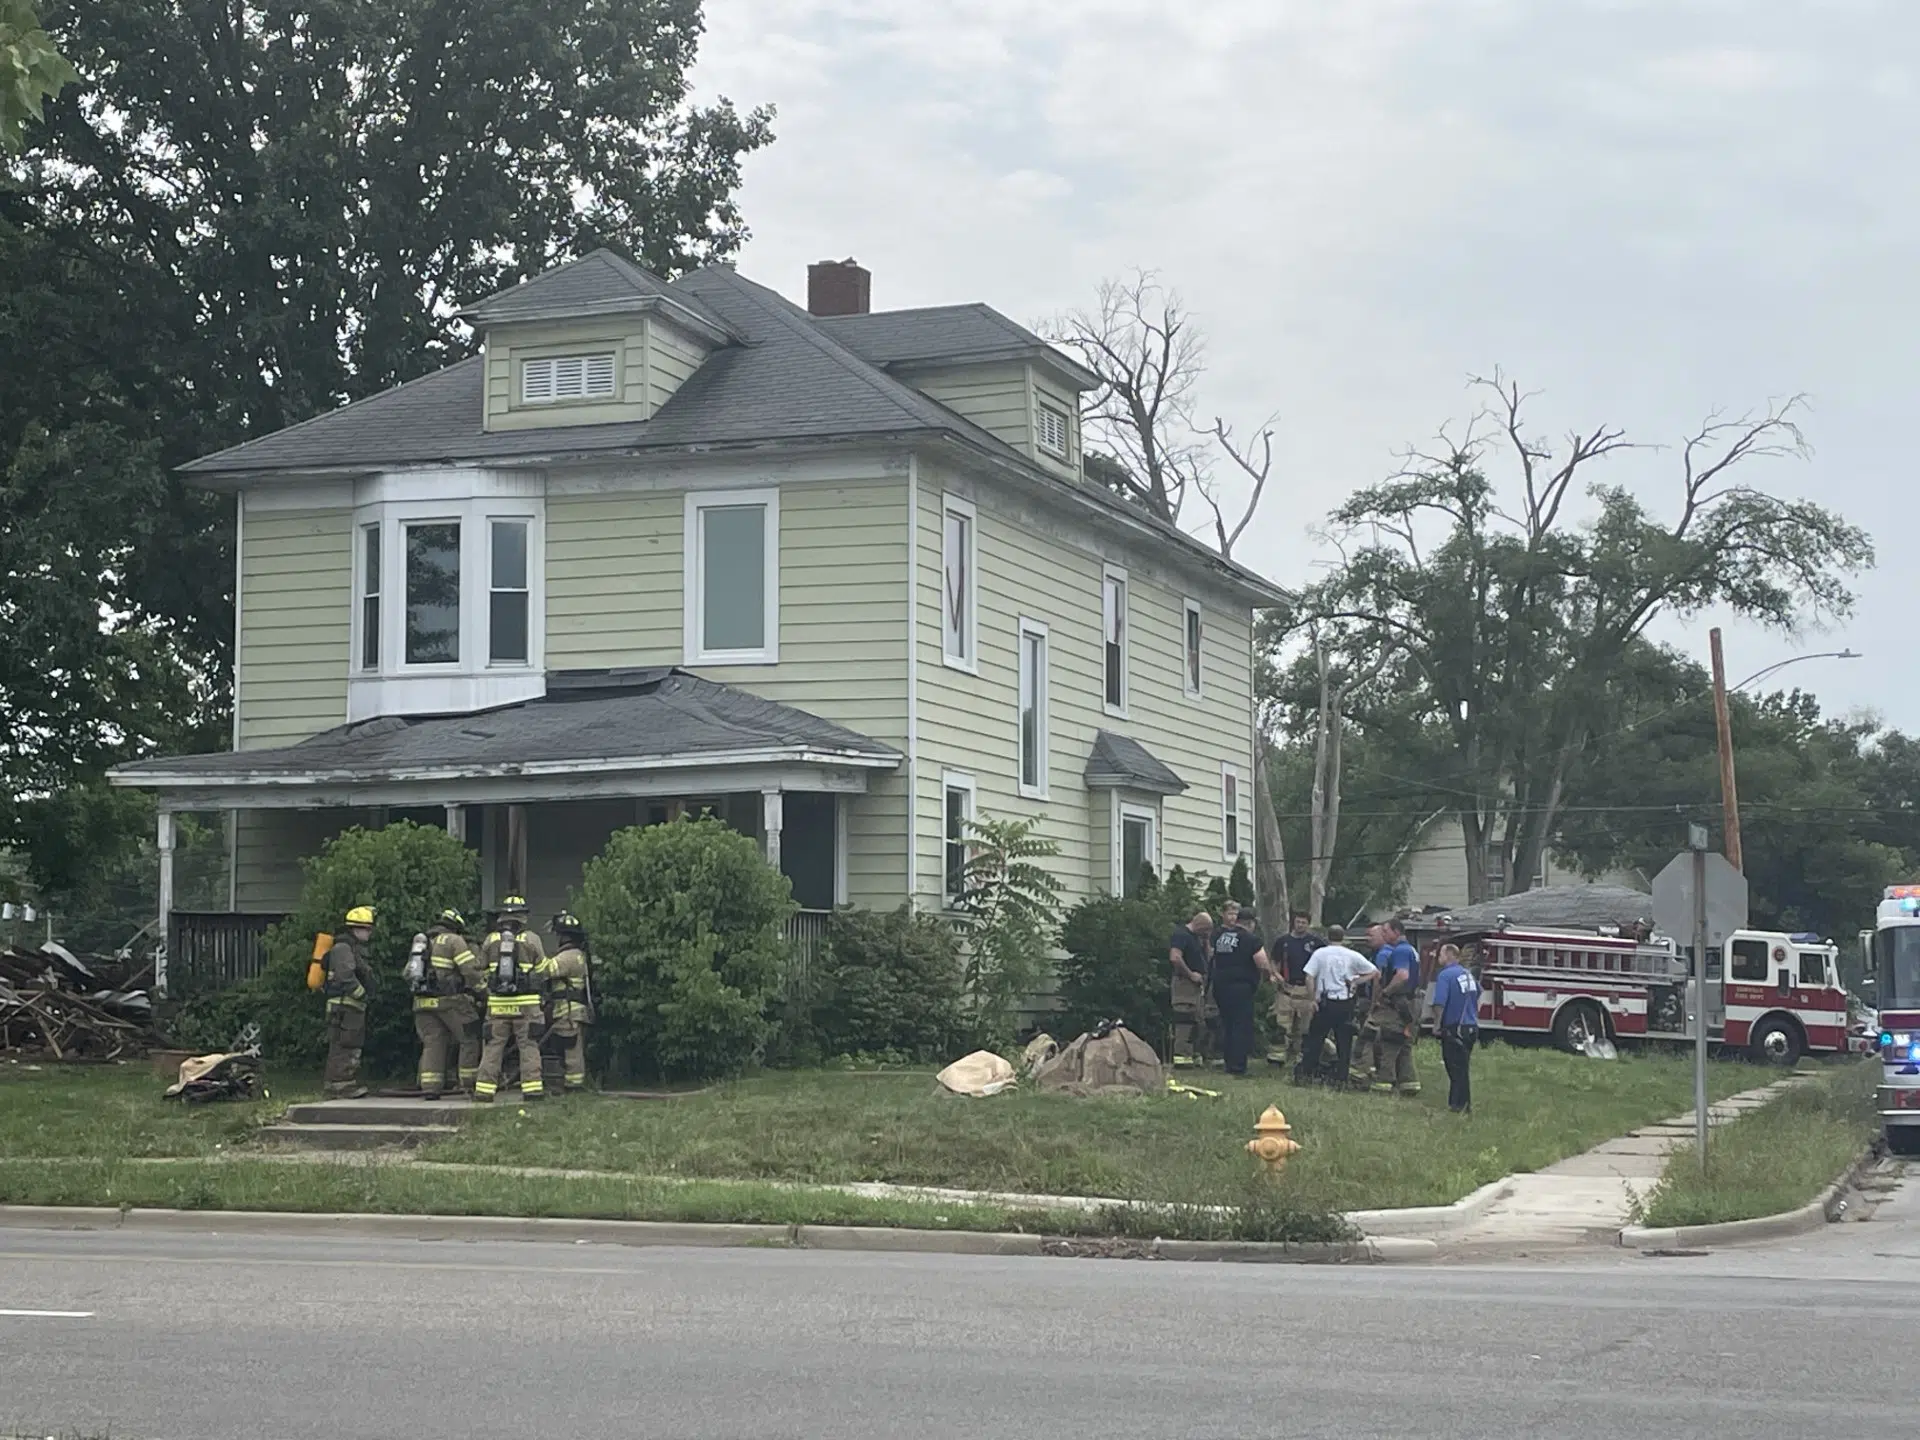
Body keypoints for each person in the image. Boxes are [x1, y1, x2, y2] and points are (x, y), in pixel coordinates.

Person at [473, 896, 553, 1102]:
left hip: (497, 1005)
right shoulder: (532, 939)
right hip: (526, 1005)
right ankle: (533, 1090)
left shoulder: (490, 940)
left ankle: (484, 1091)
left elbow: (478, 967)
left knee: (493, 1047)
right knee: (528, 1046)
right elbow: (543, 970)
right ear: (523, 917)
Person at [411, 907, 484, 1100]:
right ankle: (469, 1085)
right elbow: (469, 970)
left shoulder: (423, 942)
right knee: (469, 1038)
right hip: (449, 1001)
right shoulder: (454, 940)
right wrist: (484, 990)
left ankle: (430, 1088)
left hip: (422, 1002)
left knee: (433, 1042)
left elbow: (407, 974)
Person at [1298, 925, 1377, 1087]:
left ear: (1328, 937)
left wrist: (1312, 999)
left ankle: (1307, 1073)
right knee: (1344, 1041)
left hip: (1325, 1003)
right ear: (1343, 938)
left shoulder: (1319, 954)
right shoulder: (1352, 955)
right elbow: (1374, 972)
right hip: (1345, 1003)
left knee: (1315, 1039)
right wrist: (1356, 981)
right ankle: (1341, 1077)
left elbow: (1309, 977)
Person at [1208, 907, 1274, 1077]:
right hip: (1241, 987)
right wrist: (1268, 977)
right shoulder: (1250, 939)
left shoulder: (1221, 937)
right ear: (1251, 923)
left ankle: (1228, 1061)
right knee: (1240, 1026)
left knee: (1227, 1024)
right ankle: (1238, 1067)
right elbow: (1262, 963)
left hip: (1220, 985)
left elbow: (1210, 956)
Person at [322, 905, 376, 1099]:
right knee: (346, 1045)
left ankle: (339, 1085)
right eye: (366, 929)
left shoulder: (349, 947)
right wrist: (362, 994)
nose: (369, 933)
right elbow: (346, 976)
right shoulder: (343, 948)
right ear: (356, 929)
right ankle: (340, 1086)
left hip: (347, 1005)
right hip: (346, 1005)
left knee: (346, 1045)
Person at [1365, 919, 1424, 1097]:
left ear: (1396, 932)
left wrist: (1385, 992)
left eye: (1385, 931)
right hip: (1410, 1003)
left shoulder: (1400, 951)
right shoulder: (1411, 949)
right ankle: (1409, 1083)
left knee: (1388, 1042)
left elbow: (1402, 975)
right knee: (1404, 1044)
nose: (1383, 934)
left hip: (1398, 1004)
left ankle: (1384, 1082)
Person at [543, 910, 593, 1094]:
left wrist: (532, 957)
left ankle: (574, 1086)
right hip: (571, 1011)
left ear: (564, 936)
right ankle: (571, 1082)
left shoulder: (569, 956)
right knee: (568, 1047)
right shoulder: (577, 954)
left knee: (571, 1049)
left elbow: (547, 970)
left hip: (569, 1012)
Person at [1428, 943, 1481, 1113]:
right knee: (1463, 1066)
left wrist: (1437, 1024)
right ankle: (1460, 1102)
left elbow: (1439, 1003)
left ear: (1449, 955)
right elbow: (1478, 993)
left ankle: (1459, 1105)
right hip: (1471, 1025)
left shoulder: (1445, 975)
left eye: (1441, 955)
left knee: (1455, 1067)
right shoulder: (1468, 974)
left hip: (1454, 1026)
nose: (1438, 958)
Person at [1268, 911, 1321, 1070]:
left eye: (1304, 922)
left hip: (1306, 989)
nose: (1300, 925)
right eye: (1298, 922)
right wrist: (1276, 975)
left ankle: (1300, 1057)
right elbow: (1274, 962)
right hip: (1287, 988)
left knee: (1304, 1026)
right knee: (1282, 1024)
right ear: (1293, 923)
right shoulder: (1283, 941)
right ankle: (1278, 1057)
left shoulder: (1315, 942)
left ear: (1308, 924)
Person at [1168, 911, 1214, 1066]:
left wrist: (1206, 941)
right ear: (1199, 924)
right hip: (1184, 984)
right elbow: (1175, 957)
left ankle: (1194, 1054)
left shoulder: (1197, 938)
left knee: (1198, 1021)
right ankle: (1181, 1056)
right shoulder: (1181, 935)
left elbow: (1208, 957)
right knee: (1184, 1019)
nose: (1207, 934)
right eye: (1206, 930)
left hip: (1198, 986)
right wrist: (1190, 974)